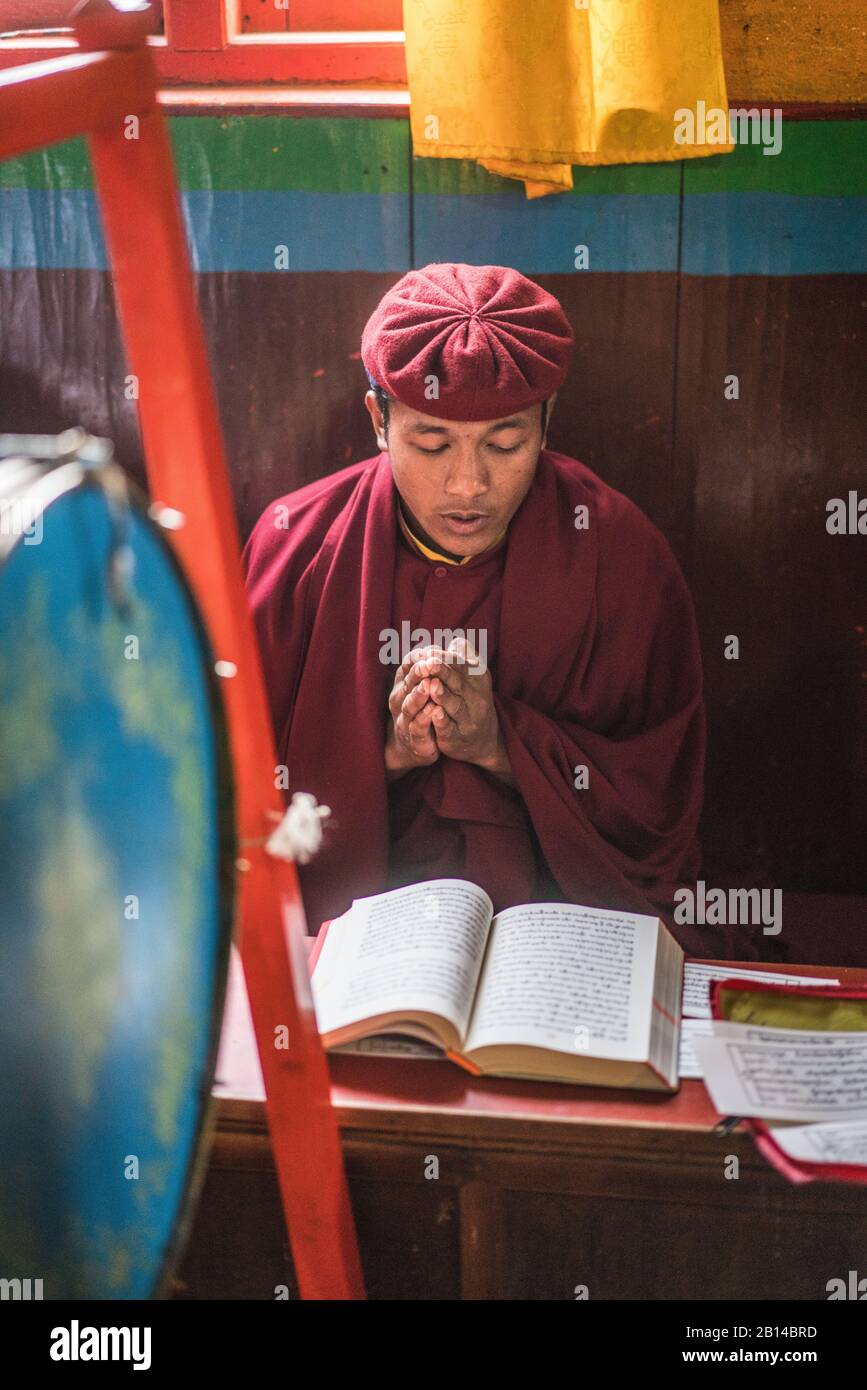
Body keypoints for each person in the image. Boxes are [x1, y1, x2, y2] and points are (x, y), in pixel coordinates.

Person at [243, 262, 740, 957]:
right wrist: (382, 756)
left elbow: (655, 800)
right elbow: (235, 799)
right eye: (430, 443)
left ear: (546, 423)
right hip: (361, 930)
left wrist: (500, 745)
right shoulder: (296, 545)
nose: (467, 484)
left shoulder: (618, 552)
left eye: (504, 444)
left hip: (554, 921)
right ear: (377, 420)